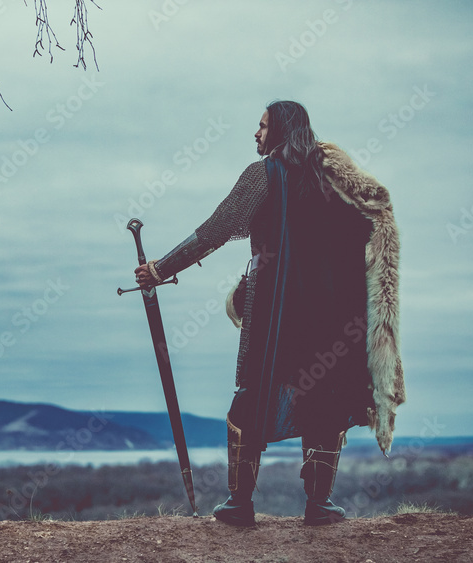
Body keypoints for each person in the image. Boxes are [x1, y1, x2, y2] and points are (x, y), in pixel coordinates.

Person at [134, 100, 405, 527]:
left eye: (262, 126)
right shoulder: (331, 182)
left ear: (279, 130)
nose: (256, 134)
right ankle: (318, 505)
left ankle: (240, 503)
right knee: (323, 397)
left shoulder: (263, 175)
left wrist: (159, 270)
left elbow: (214, 230)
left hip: (276, 312)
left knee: (253, 395)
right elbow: (364, 228)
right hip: (327, 316)